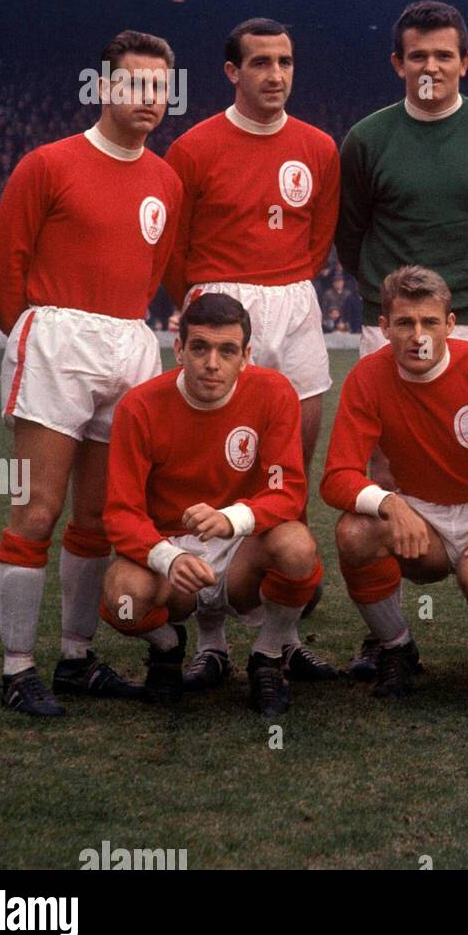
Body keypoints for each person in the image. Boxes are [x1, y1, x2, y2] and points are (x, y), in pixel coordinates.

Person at [0, 31, 183, 716]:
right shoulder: (49, 164)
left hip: (129, 340)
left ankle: (75, 656)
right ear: (103, 88)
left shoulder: (166, 181)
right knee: (38, 510)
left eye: (160, 87)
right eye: (133, 85)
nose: (148, 99)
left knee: (98, 516)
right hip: (57, 336)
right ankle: (16, 669)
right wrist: (35, 338)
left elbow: (153, 274)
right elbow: (1, 263)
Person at [334, 0, 468, 678]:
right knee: (383, 479)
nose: (430, 66)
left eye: (443, 55)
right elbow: (350, 234)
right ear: (398, 62)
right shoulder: (366, 138)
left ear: (464, 62)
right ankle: (388, 642)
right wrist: (389, 307)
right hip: (387, 317)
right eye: (417, 55)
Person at [162, 17, 340, 689]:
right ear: (232, 71)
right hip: (220, 301)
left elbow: (319, 234)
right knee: (216, 471)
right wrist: (205, 302)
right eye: (260, 62)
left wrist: (285, 287)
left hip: (293, 299)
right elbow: (172, 249)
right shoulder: (195, 146)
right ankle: (210, 639)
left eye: (286, 61)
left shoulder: (318, 146)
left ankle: (280, 642)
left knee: (287, 479)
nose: (276, 74)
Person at [99, 293, 321, 717]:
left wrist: (232, 518)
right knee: (123, 599)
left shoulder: (274, 392)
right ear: (179, 349)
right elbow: (121, 512)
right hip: (170, 551)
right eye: (199, 347)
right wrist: (165, 556)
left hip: (243, 546)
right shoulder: (140, 407)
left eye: (227, 350)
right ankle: (167, 646)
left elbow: (288, 489)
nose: (212, 363)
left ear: (246, 355)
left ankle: (267, 655)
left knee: (297, 547)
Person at [321, 267, 468, 696]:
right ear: (384, 327)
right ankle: (397, 648)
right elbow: (336, 477)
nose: (417, 335)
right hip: (422, 511)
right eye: (404, 323)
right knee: (354, 533)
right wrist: (391, 504)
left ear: (450, 324)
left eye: (429, 322)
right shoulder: (368, 376)